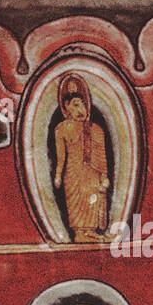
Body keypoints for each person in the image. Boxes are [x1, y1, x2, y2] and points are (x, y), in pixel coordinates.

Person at [52, 73, 109, 242]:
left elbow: (102, 154)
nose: (80, 110)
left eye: (83, 105)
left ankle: (90, 231)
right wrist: (58, 175)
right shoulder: (61, 129)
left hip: (92, 171)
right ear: (67, 106)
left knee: (92, 198)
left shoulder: (95, 129)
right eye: (76, 105)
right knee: (76, 201)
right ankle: (79, 233)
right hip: (73, 172)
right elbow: (60, 156)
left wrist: (104, 176)